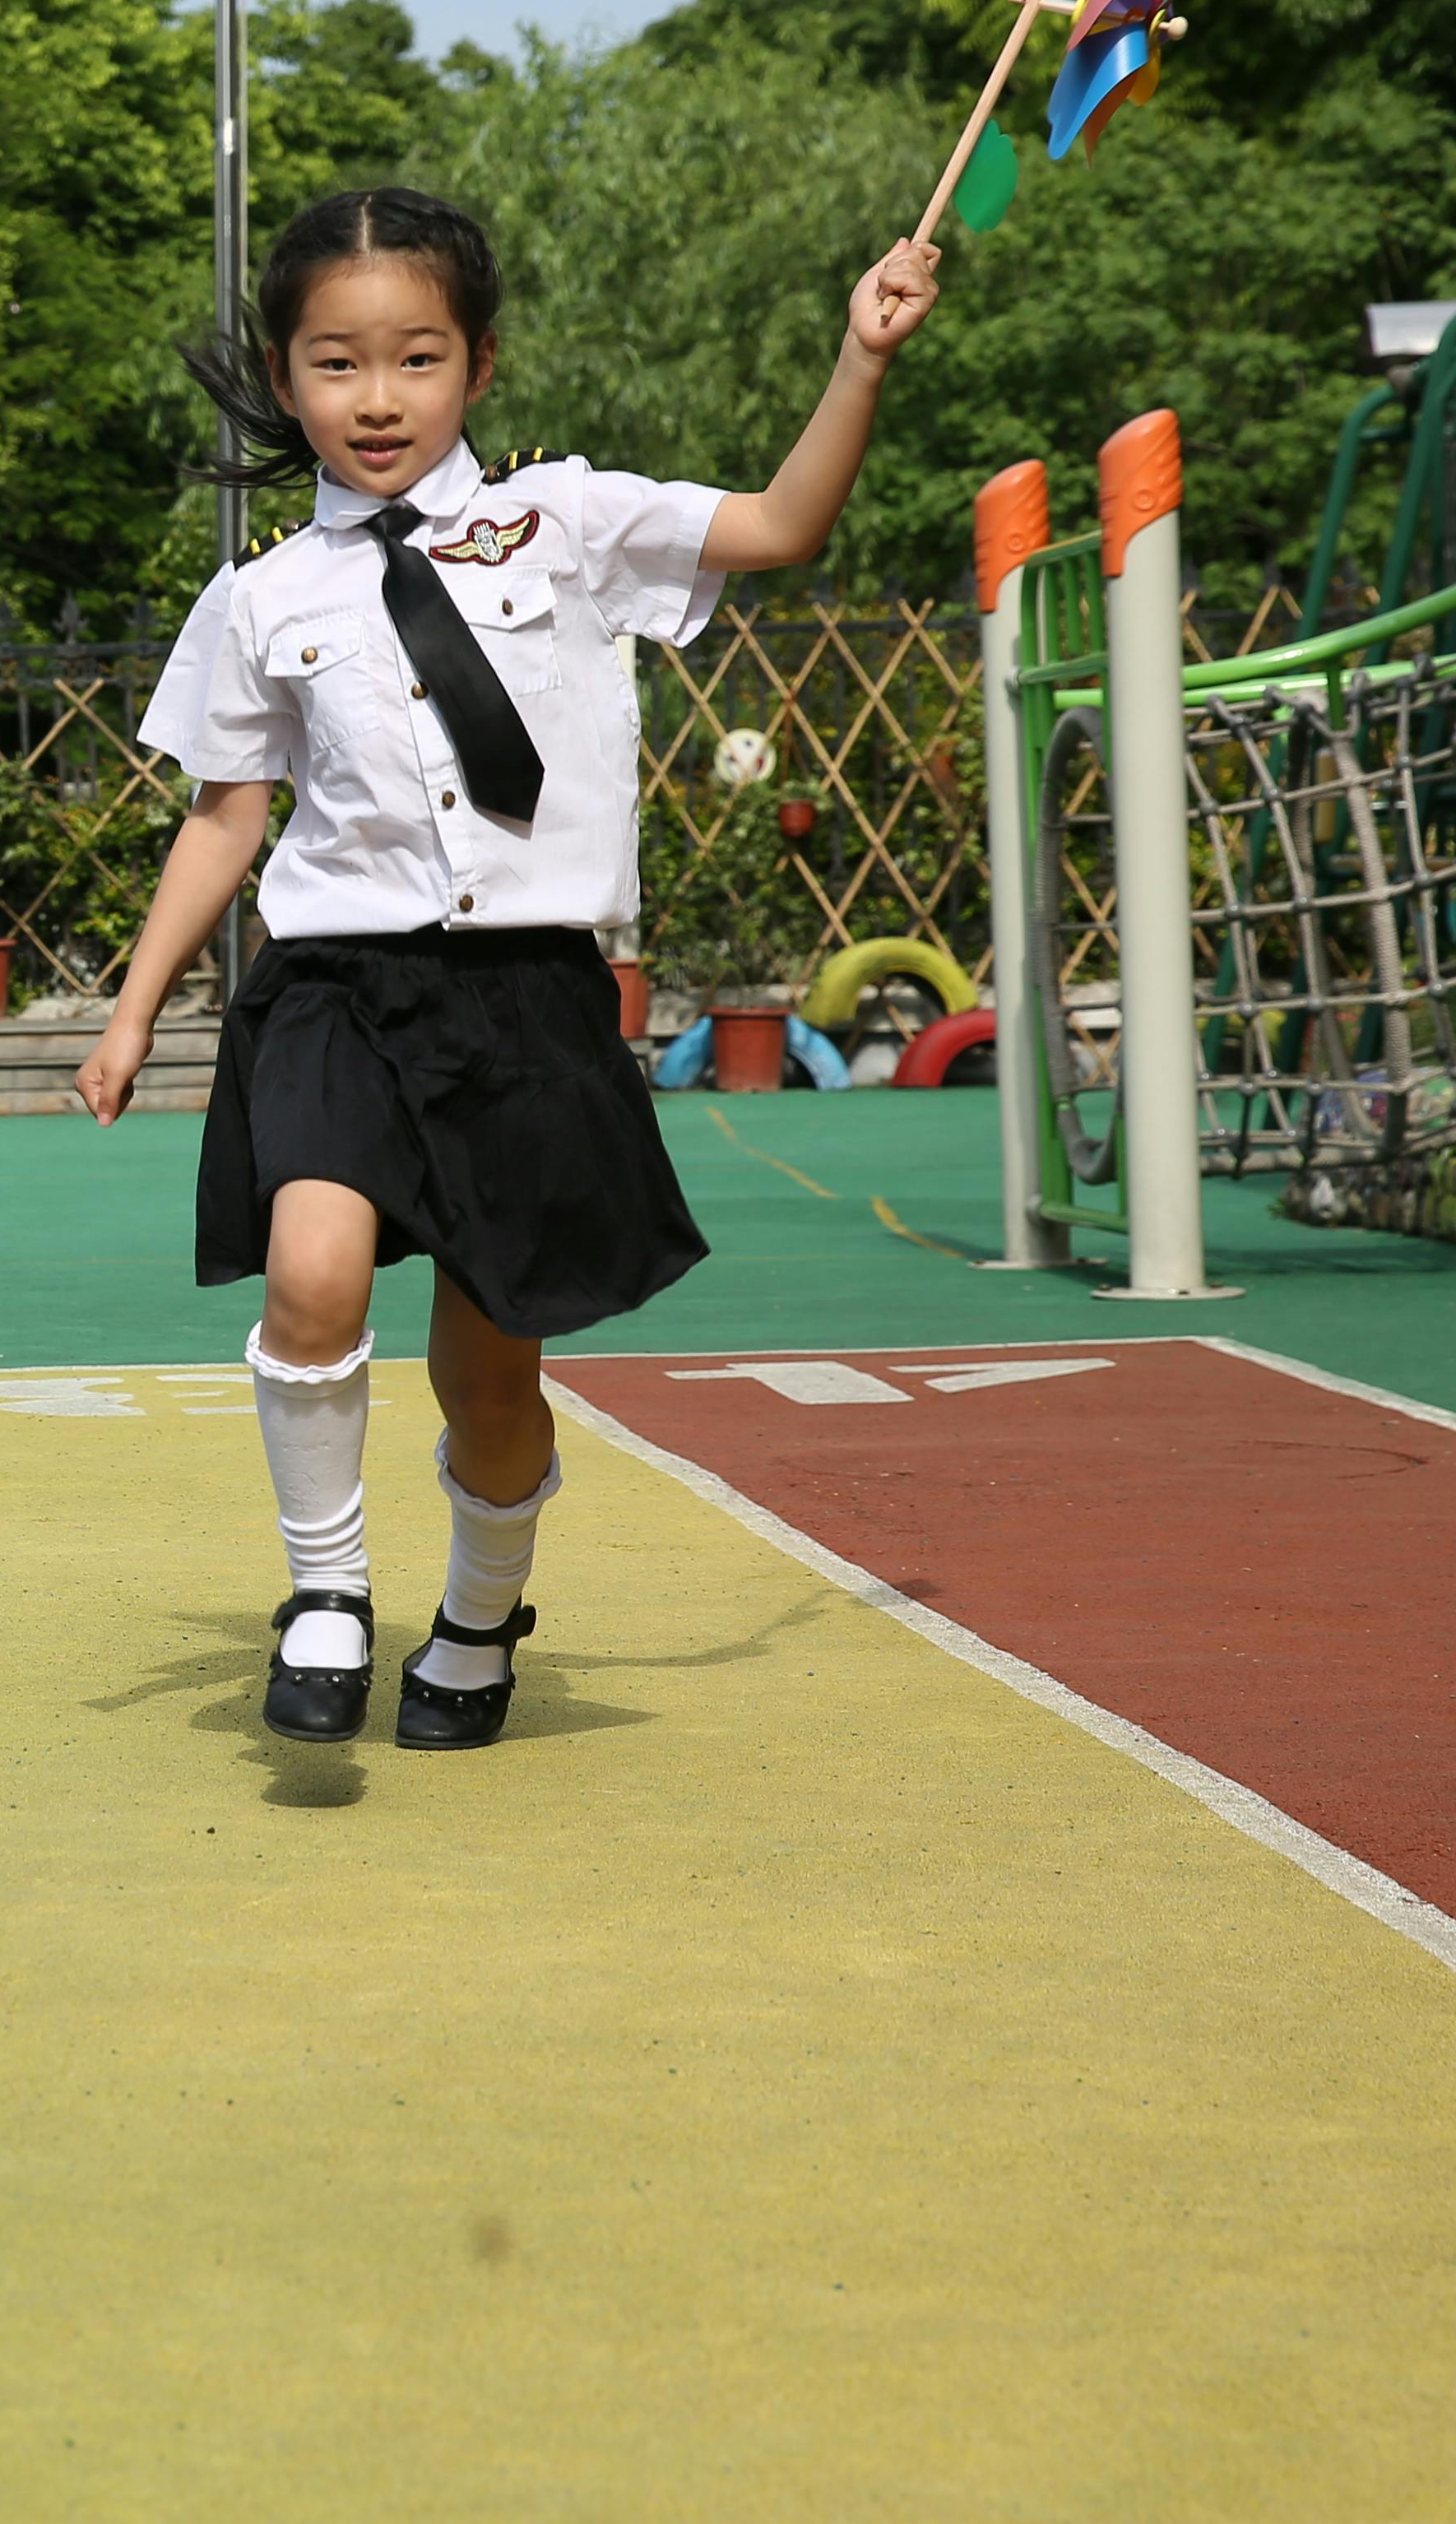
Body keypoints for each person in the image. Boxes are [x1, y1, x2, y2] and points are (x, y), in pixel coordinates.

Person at [77, 188, 942, 1751]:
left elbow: (780, 525)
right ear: (284, 382)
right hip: (334, 985)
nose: (380, 396)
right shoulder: (262, 597)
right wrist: (135, 1008)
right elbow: (227, 818)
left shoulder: (574, 522)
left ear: (479, 363)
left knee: (489, 1383)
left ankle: (478, 1621)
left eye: (417, 357)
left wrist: (859, 360)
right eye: (338, 364)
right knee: (312, 1273)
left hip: (528, 1000)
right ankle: (328, 1596)